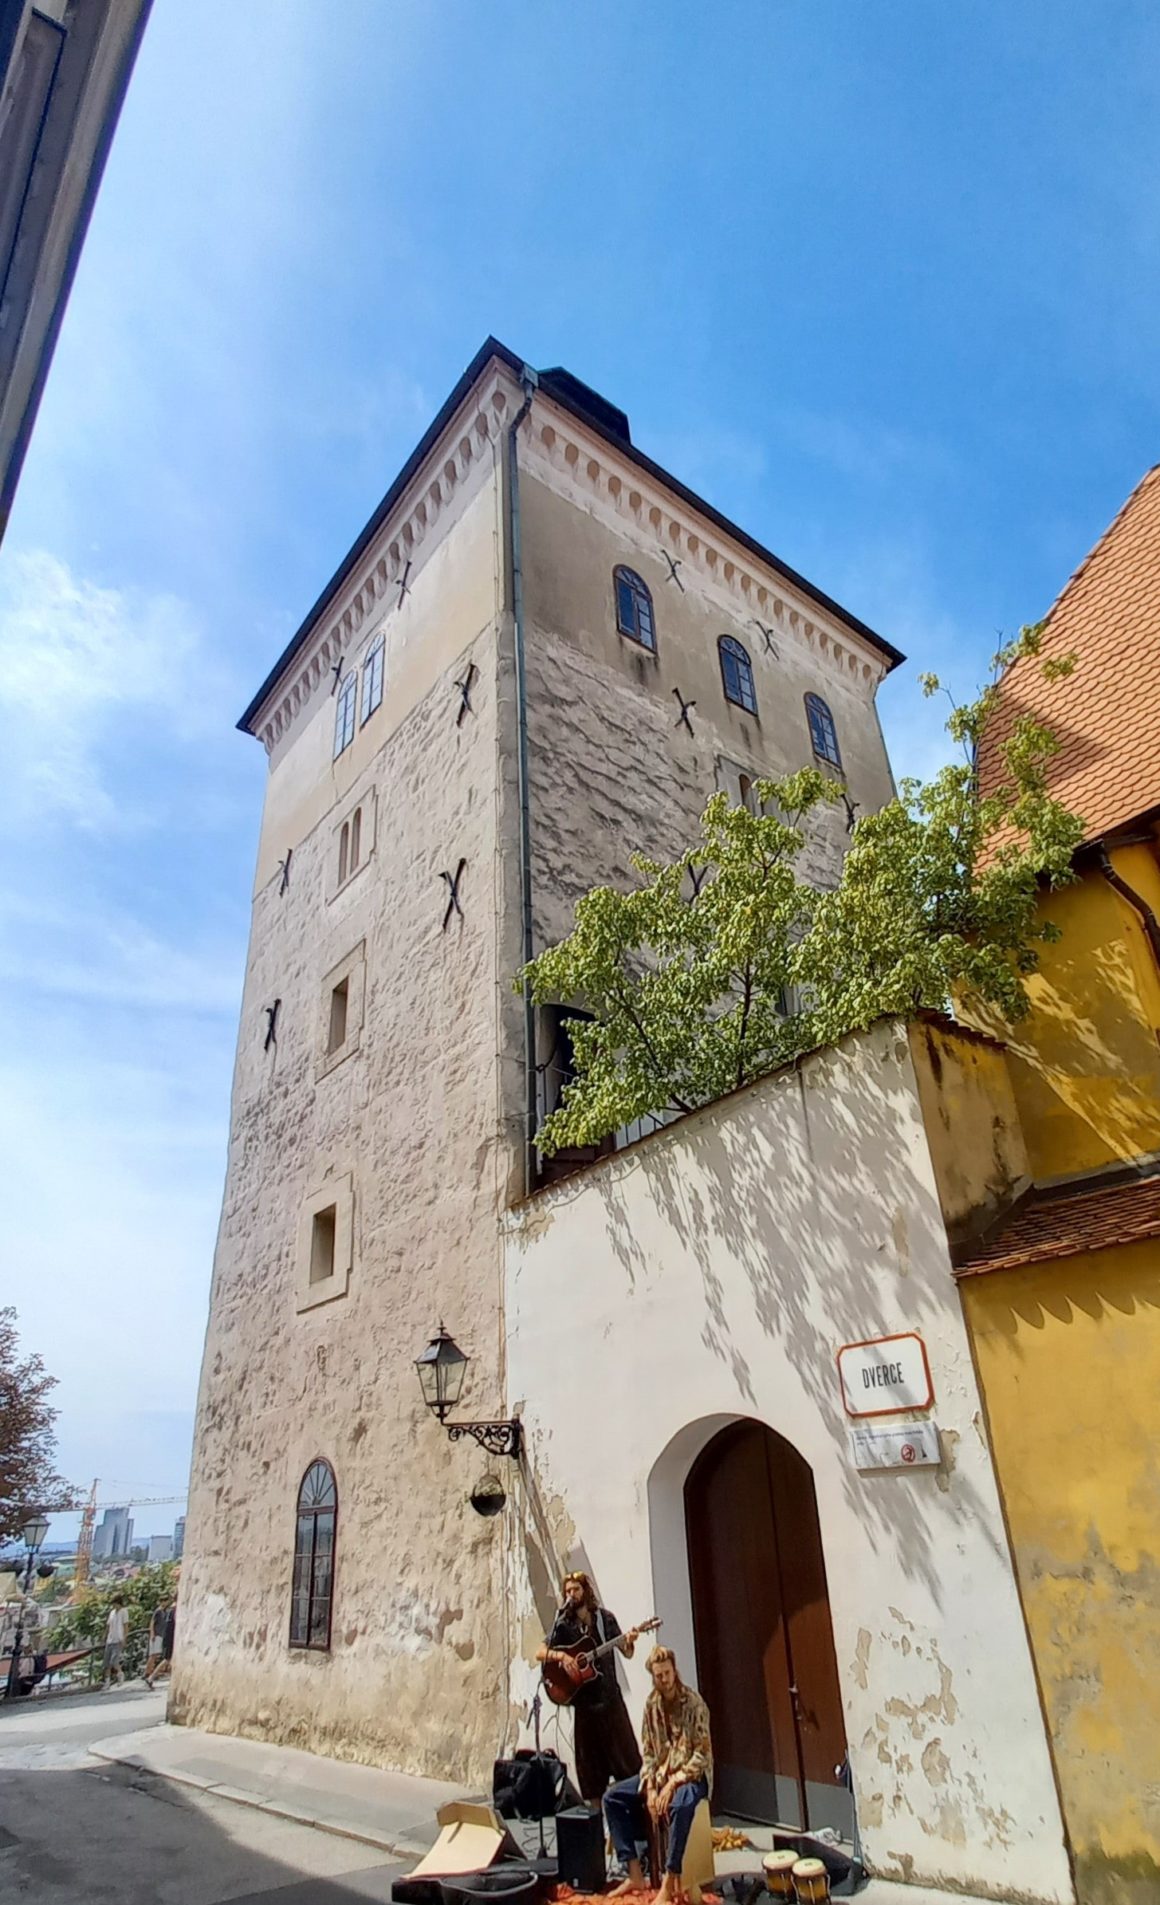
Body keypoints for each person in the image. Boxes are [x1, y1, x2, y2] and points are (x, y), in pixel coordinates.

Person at [605, 1645, 713, 1903]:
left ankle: (670, 1876)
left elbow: (701, 1755)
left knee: (680, 1804)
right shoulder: (651, 1705)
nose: (664, 1680)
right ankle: (633, 1872)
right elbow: (649, 1752)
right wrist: (651, 1786)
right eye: (658, 1675)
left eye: (667, 1673)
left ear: (675, 1671)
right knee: (613, 1797)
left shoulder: (694, 1703)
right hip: (661, 1776)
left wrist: (672, 1784)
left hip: (691, 1776)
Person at [536, 1570, 642, 1807]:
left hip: (611, 1705)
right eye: (567, 1592)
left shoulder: (605, 1619)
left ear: (586, 1591)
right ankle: (597, 1833)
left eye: (575, 1590)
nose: (571, 1595)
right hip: (585, 1710)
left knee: (628, 1764)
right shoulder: (563, 1625)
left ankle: (634, 1825)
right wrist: (562, 1656)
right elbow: (540, 1652)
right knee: (591, 1776)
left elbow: (627, 1652)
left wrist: (630, 1641)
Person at [102, 1596, 127, 1690]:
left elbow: (125, 1625)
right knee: (107, 1662)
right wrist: (105, 1635)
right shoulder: (112, 1613)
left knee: (114, 1660)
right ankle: (107, 1682)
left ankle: (120, 1674)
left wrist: (124, 1638)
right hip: (110, 1639)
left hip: (118, 1639)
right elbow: (108, 1625)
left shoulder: (124, 1612)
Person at [143, 1600, 169, 1687]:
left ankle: (151, 1671)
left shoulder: (164, 1612)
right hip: (156, 1634)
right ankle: (147, 1672)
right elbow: (152, 1623)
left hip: (160, 1634)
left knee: (156, 1654)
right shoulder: (158, 1611)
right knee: (153, 1654)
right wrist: (152, 1633)